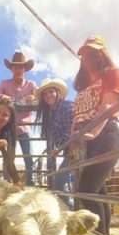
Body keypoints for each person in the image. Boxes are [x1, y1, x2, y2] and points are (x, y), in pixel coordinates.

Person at [70, 35, 119, 235]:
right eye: (84, 54)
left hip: (106, 135)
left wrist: (94, 131)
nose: (88, 57)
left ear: (102, 53)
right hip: (87, 142)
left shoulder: (113, 74)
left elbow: (108, 106)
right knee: (99, 193)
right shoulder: (83, 85)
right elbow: (78, 116)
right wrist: (74, 140)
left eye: (93, 52)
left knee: (87, 190)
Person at [0, 51, 37, 186]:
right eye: (16, 67)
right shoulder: (5, 83)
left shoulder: (31, 84)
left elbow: (40, 96)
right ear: (12, 68)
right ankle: (7, 184)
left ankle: (30, 185)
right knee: (8, 158)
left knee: (29, 157)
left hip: (24, 127)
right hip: (9, 128)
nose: (18, 69)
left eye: (21, 67)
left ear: (24, 69)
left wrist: (34, 98)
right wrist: (3, 97)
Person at [37, 78, 74, 207]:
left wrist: (59, 147)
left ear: (58, 93)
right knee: (67, 181)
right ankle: (73, 210)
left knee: (59, 180)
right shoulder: (52, 113)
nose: (48, 96)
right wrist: (59, 148)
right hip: (69, 151)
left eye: (51, 92)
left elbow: (71, 130)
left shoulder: (67, 105)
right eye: (45, 94)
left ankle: (71, 210)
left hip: (76, 149)